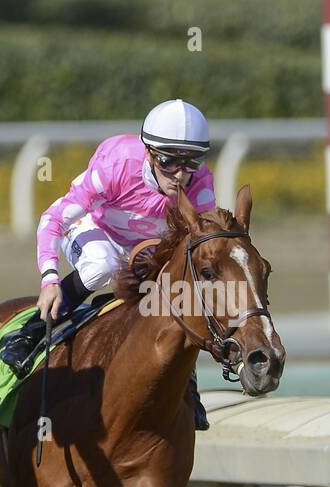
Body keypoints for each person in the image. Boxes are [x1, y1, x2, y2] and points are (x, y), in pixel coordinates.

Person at [34, 99, 218, 428]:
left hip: (148, 248)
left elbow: (202, 244)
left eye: (191, 161)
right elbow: (53, 219)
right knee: (101, 265)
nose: (180, 174)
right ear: (148, 152)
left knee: (182, 282)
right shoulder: (117, 164)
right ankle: (33, 330)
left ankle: (187, 380)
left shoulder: (200, 184)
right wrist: (49, 279)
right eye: (168, 161)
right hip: (96, 229)